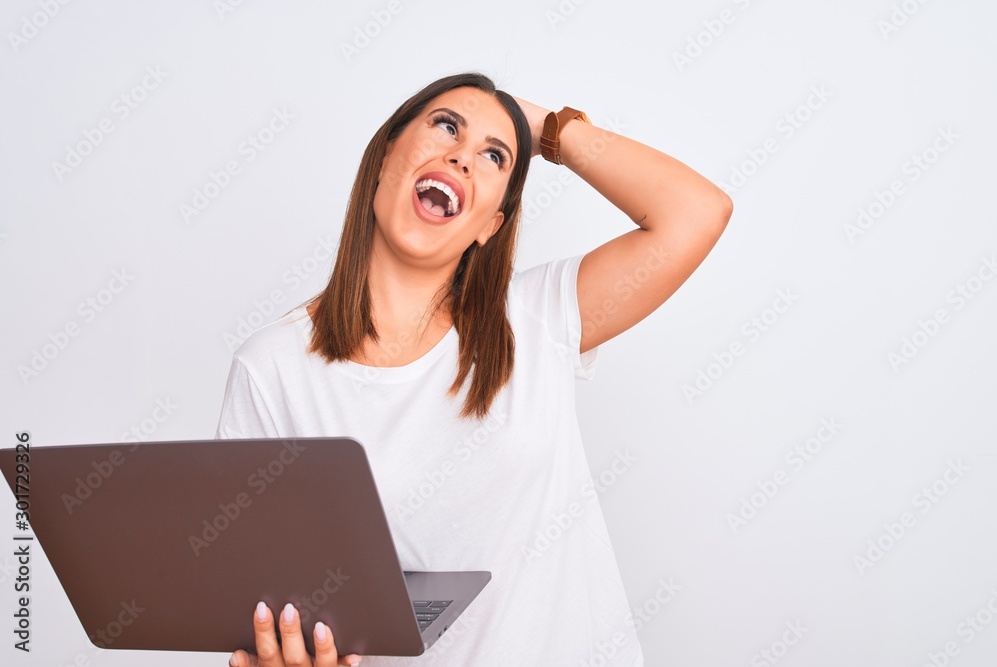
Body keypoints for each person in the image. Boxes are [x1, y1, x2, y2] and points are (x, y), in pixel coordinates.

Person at [216, 71, 732, 667]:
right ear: (385, 156)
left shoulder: (536, 319)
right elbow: (263, 597)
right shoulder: (273, 367)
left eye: (493, 156)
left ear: (492, 224)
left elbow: (697, 212)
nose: (463, 156)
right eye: (446, 126)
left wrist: (544, 129)